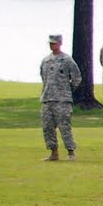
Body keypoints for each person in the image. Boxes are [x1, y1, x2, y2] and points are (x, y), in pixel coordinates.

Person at [39, 33, 82, 161]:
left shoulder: (67, 60)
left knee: (64, 127)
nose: (52, 45)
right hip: (47, 98)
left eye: (54, 43)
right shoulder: (46, 60)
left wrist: (67, 90)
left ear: (60, 43)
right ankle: (53, 152)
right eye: (50, 43)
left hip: (62, 100)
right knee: (47, 128)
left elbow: (76, 77)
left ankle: (70, 152)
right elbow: (43, 76)